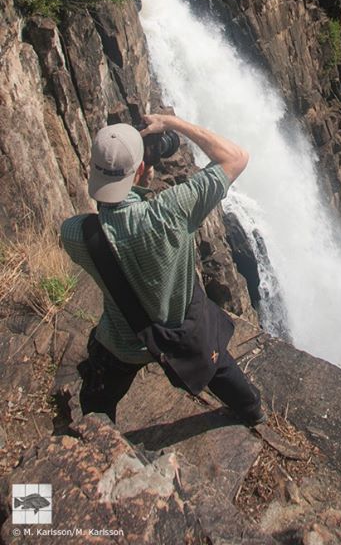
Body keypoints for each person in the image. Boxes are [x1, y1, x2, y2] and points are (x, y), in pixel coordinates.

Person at [61, 112, 265, 426]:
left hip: (123, 342)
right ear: (141, 169)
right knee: (220, 367)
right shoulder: (170, 212)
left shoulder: (76, 235)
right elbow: (237, 157)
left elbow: (107, 222)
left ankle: (99, 441)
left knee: (96, 399)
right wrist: (171, 123)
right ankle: (252, 412)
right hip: (184, 331)